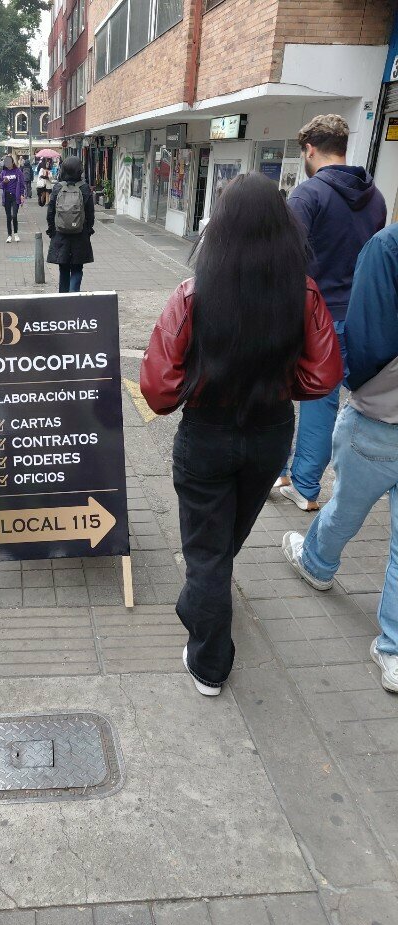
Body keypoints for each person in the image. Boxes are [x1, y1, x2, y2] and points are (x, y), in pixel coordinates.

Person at [140, 173, 343, 697]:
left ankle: (210, 661)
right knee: (223, 542)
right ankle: (201, 602)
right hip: (271, 431)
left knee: (207, 552)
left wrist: (200, 380)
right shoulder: (302, 291)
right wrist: (278, 385)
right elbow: (323, 376)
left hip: (206, 432)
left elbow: (159, 390)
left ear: (220, 228)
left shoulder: (193, 292)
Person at [283, 222, 398, 692]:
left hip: (381, 416)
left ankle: (317, 564)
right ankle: (393, 650)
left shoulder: (388, 247)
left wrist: (343, 373)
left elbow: (368, 338)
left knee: (347, 508)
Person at [276, 114, 386, 511]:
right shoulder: (375, 197)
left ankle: (302, 484)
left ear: (309, 150)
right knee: (325, 398)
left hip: (312, 313)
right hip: (355, 312)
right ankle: (292, 472)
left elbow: (285, 259)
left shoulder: (307, 195)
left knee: (305, 397)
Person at [46, 155, 94, 293]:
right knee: (77, 269)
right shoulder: (85, 188)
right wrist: (88, 229)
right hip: (80, 235)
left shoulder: (57, 188)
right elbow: (90, 214)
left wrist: (51, 230)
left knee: (64, 269)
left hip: (60, 235)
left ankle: (63, 301)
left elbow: (50, 213)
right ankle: (74, 298)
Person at [0, 154, 26, 243]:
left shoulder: (18, 171)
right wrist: (4, 182)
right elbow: (0, 185)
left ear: (12, 162)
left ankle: (16, 234)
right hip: (6, 196)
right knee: (8, 216)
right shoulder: (3, 172)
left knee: (14, 215)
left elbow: (22, 184)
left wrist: (22, 194)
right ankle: (9, 235)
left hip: (15, 196)